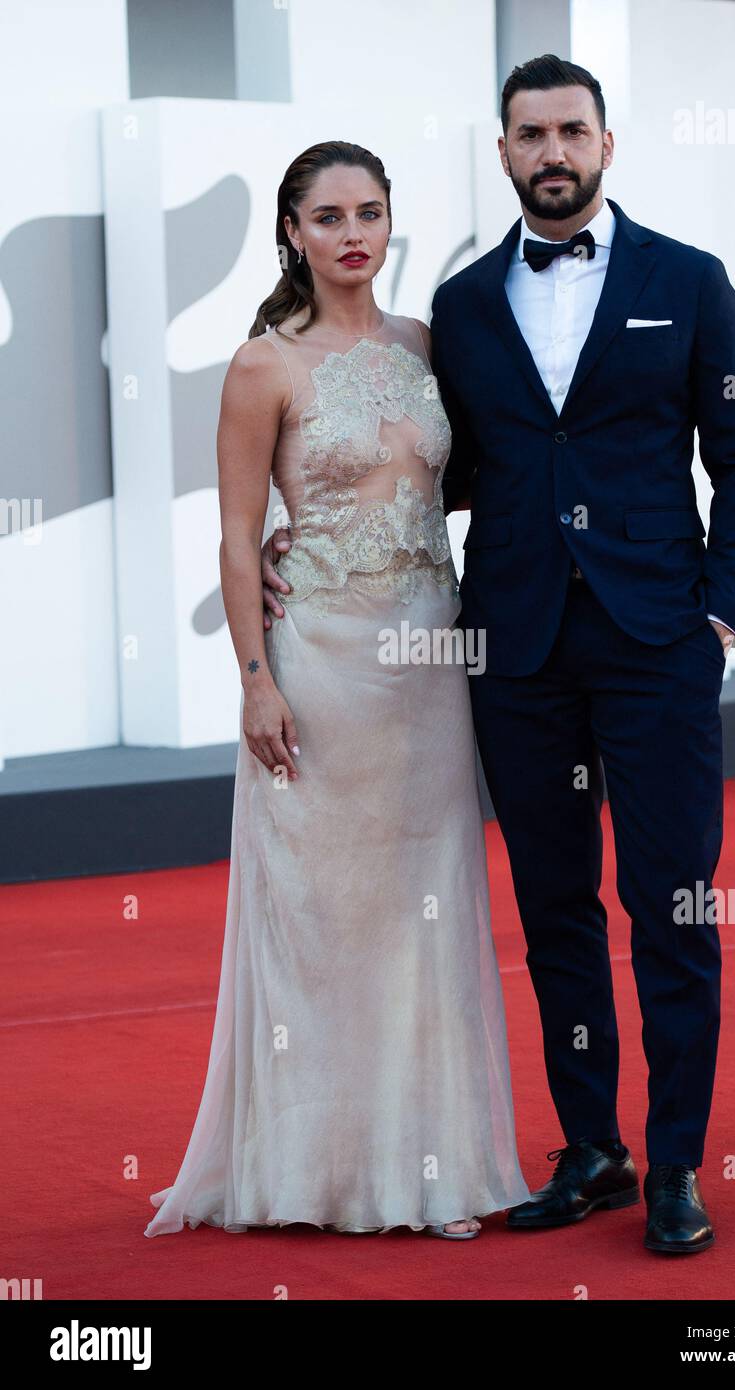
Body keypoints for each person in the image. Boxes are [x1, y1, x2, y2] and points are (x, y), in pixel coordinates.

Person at [262, 55, 735, 1256]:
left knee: (672, 907)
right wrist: (306, 523)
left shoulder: (689, 283)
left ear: (605, 144)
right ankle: (593, 1146)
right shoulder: (468, 305)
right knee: (553, 907)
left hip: (658, 646)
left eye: (570, 131)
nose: (551, 151)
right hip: (517, 652)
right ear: (501, 151)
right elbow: (429, 462)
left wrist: (721, 613)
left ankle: (677, 1161)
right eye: (529, 134)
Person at [144, 141, 531, 1242]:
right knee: (322, 912)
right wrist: (253, 679)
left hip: (428, 665)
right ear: (292, 232)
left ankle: (429, 1167)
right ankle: (311, 1171)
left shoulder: (423, 345)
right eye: (328, 216)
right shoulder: (262, 364)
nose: (352, 233)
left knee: (428, 906)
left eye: (369, 212)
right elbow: (229, 531)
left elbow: (442, 482)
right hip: (319, 664)